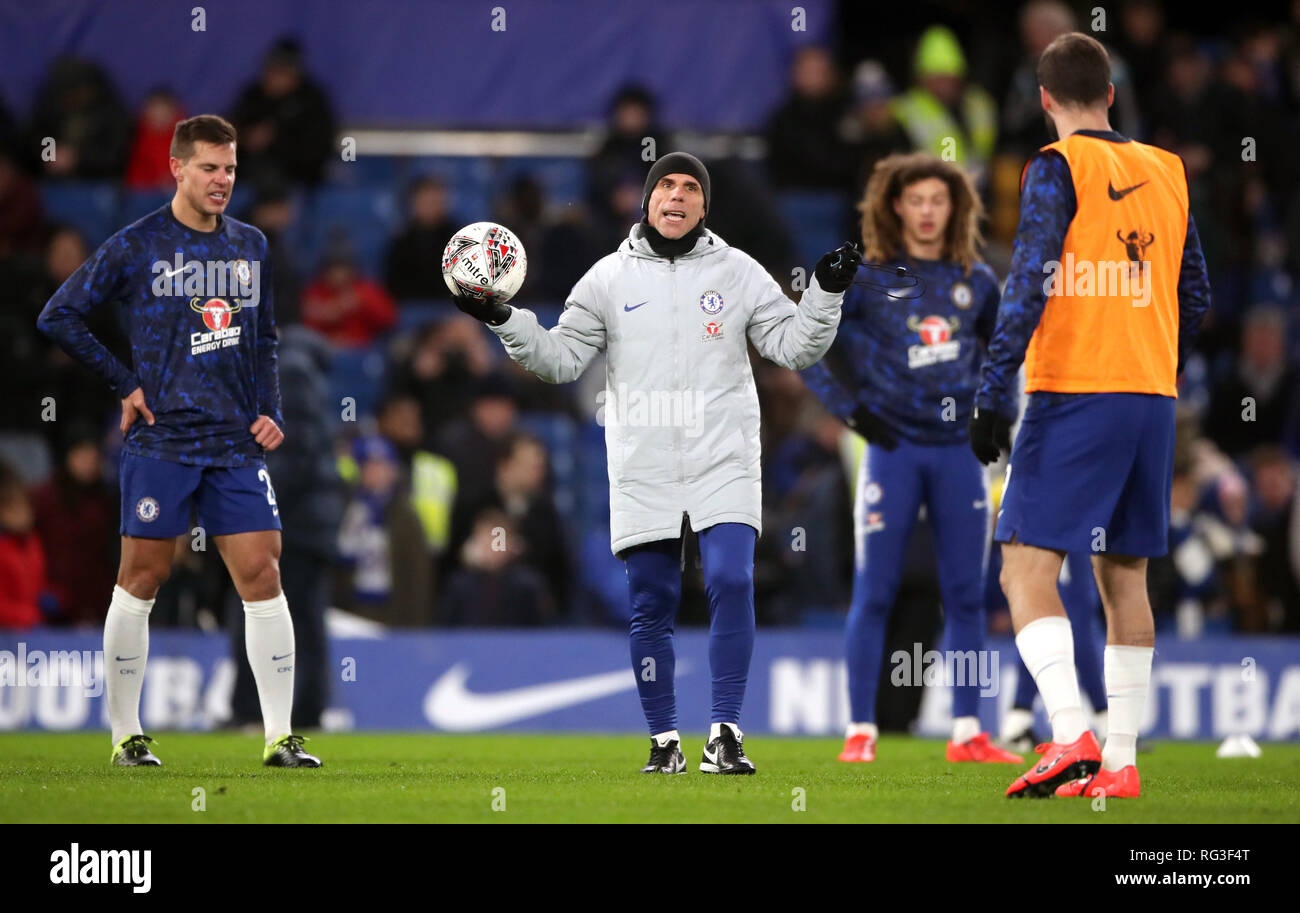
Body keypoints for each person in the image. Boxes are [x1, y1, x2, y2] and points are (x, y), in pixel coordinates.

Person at [452, 151, 861, 775]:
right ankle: (664, 741)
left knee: (732, 580)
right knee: (653, 599)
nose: (676, 196)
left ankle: (725, 733)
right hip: (643, 461)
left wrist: (826, 292)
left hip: (723, 453)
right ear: (647, 201)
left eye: (689, 187)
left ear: (704, 204)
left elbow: (793, 347)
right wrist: (505, 318)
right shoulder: (606, 279)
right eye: (664, 185)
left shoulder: (739, 271)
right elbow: (560, 360)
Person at [37, 114, 320, 768]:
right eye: (210, 168)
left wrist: (269, 406)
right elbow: (59, 313)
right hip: (162, 442)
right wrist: (124, 384)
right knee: (142, 578)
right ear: (177, 167)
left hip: (232, 445)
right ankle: (124, 735)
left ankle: (280, 735)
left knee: (263, 572)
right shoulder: (139, 244)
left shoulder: (251, 246)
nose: (222, 180)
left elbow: (267, 339)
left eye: (230, 169)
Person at [970, 33, 1211, 799]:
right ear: (1110, 93)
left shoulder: (1053, 165)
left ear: (1045, 101)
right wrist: (1147, 345)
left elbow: (1032, 276)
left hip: (1077, 387)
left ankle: (1070, 732)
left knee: (1023, 564)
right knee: (1124, 573)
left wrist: (990, 386)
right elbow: (1196, 293)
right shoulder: (1166, 168)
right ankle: (1121, 759)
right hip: (1151, 396)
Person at [800, 152, 1021, 765]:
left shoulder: (977, 281)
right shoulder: (869, 278)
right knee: (874, 591)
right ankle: (860, 731)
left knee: (968, 594)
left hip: (956, 455)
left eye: (938, 201)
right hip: (892, 450)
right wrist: (848, 411)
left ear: (954, 208)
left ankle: (969, 731)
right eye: (916, 200)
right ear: (896, 206)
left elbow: (1004, 357)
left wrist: (994, 416)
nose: (927, 212)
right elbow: (805, 346)